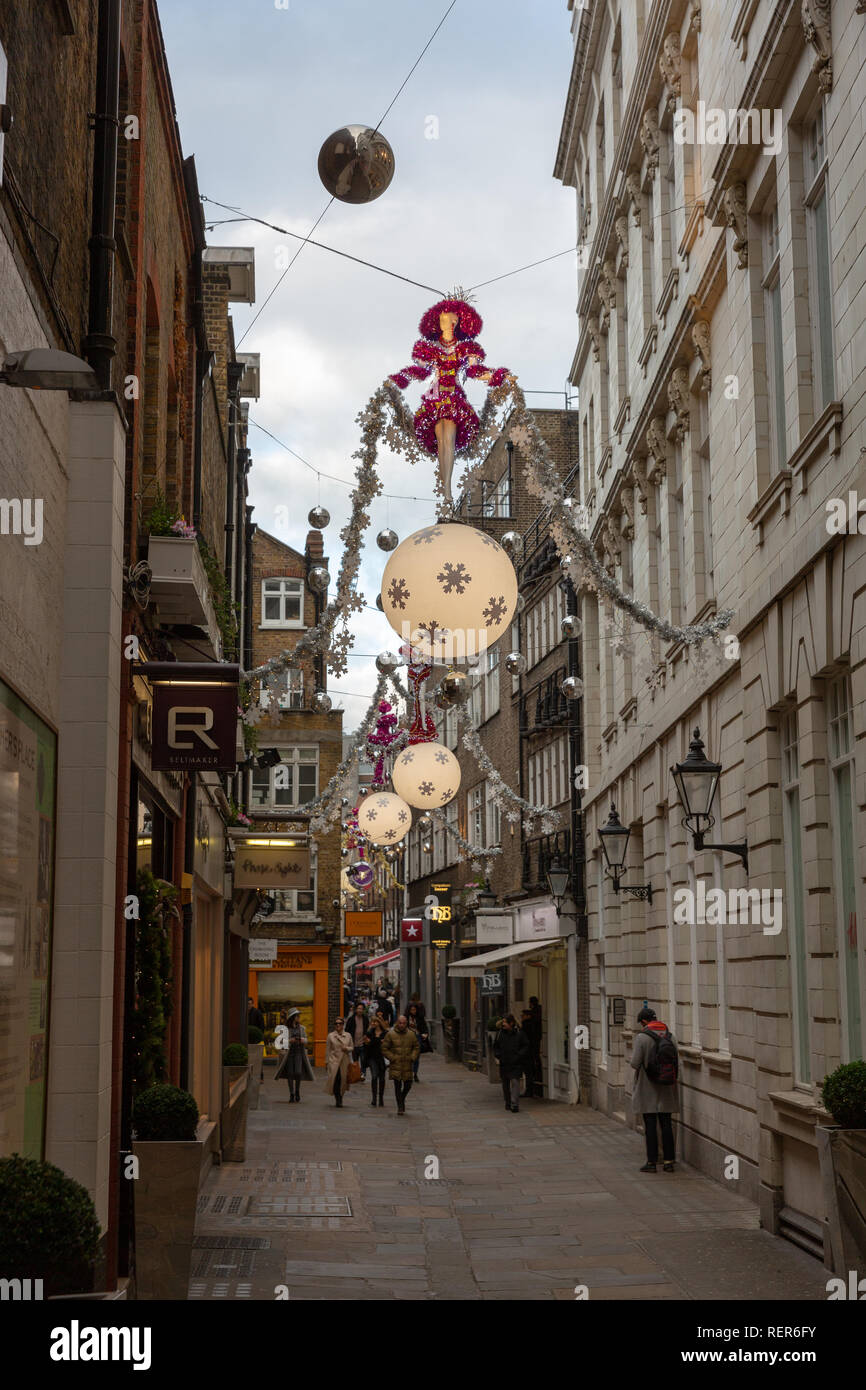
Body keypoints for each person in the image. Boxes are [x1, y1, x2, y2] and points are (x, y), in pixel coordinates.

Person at [630, 1006, 680, 1172]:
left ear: (644, 1021)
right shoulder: (671, 1036)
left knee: (650, 1125)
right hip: (666, 1086)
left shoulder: (642, 1037)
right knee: (666, 1123)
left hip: (648, 1086)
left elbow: (635, 1063)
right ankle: (669, 1162)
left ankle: (651, 1162)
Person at [381, 1015, 420, 1116]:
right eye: (400, 1023)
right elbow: (384, 1048)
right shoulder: (390, 1034)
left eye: (403, 1023)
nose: (402, 1025)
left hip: (407, 1064)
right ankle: (400, 1107)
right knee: (397, 1086)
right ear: (397, 1023)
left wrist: (412, 1057)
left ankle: (402, 1099)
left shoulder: (411, 1034)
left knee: (408, 1085)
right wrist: (392, 1057)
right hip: (396, 1064)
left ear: (406, 1023)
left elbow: (416, 1047)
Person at [274, 1007, 313, 1102]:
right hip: (289, 1054)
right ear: (293, 1017)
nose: (298, 1017)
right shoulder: (286, 1029)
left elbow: (306, 1040)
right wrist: (290, 1040)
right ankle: (291, 1094)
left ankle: (297, 1091)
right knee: (290, 1074)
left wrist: (302, 1040)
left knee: (298, 1073)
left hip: (299, 1052)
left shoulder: (302, 1028)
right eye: (297, 1016)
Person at [494, 1014, 530, 1113]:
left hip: (515, 1063)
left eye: (505, 1022)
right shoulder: (500, 1033)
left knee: (515, 1082)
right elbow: (495, 1046)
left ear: (511, 1023)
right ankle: (508, 1102)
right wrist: (498, 1055)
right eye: (503, 1022)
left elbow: (526, 1045)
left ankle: (515, 1104)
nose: (503, 1024)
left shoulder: (519, 1033)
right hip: (504, 1063)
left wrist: (519, 1055)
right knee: (505, 1084)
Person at [325, 1016, 354, 1108]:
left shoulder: (348, 1035)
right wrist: (326, 1062)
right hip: (334, 1061)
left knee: (343, 1080)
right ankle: (338, 1099)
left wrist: (347, 1048)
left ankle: (341, 1096)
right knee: (335, 1080)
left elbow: (352, 1047)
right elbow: (328, 1050)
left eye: (340, 1023)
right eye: (336, 1023)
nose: (338, 1025)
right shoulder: (330, 1036)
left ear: (343, 1025)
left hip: (344, 1061)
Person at [364, 1011, 389, 1108]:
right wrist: (374, 1042)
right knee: (374, 1077)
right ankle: (374, 1098)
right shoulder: (369, 1033)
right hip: (372, 1058)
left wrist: (373, 1042)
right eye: (372, 1022)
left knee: (382, 1079)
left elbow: (386, 1044)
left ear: (379, 1023)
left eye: (375, 1022)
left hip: (382, 1058)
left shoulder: (385, 1033)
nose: (373, 1023)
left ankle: (381, 1098)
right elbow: (368, 1045)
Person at [406, 1002, 430, 1082]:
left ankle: (415, 1073)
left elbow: (424, 1027)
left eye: (414, 1010)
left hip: (417, 1037)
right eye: (412, 1010)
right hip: (407, 1038)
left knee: (416, 1057)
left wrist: (425, 1034)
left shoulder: (420, 1017)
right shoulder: (405, 1018)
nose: (413, 1011)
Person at [346, 1002, 369, 1079]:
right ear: (356, 1009)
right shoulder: (351, 1019)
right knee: (355, 1061)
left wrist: (367, 1036)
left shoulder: (365, 1019)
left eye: (362, 1009)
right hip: (354, 1044)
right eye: (359, 1008)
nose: (360, 1010)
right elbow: (347, 1031)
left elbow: (368, 1030)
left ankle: (363, 1073)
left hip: (362, 1043)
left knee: (363, 1060)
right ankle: (356, 1074)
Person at [519, 1009, 536, 1098]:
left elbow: (523, 1039)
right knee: (529, 1072)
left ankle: (529, 1090)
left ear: (528, 1016)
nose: (521, 1017)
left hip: (527, 1053)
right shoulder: (532, 1025)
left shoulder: (526, 1026)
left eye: (523, 1016)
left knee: (528, 1072)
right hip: (531, 1052)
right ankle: (531, 1090)